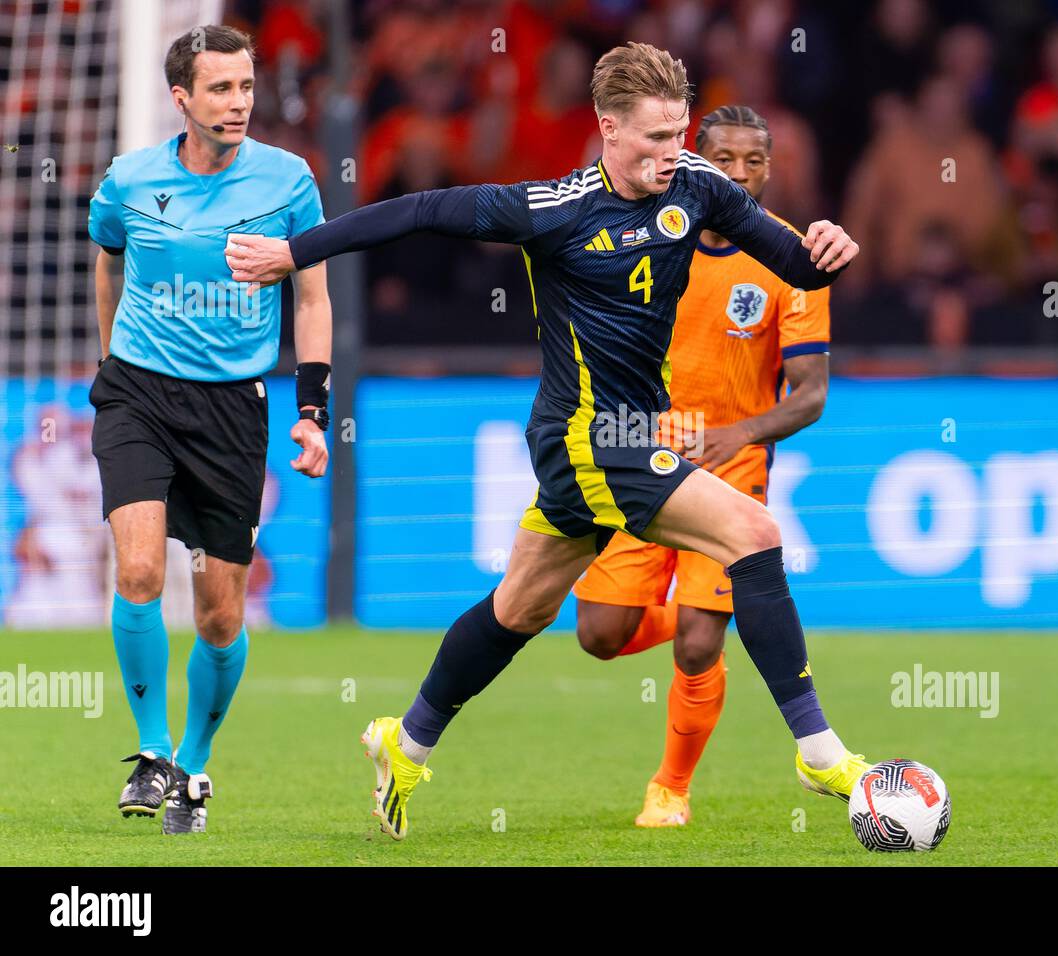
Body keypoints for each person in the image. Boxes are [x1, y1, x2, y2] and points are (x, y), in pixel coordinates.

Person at [226, 42, 862, 843]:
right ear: (607, 128)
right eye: (655, 139)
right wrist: (293, 252)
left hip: (624, 435)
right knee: (756, 534)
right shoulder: (551, 210)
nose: (674, 154)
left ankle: (407, 740)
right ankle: (818, 748)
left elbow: (800, 270)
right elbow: (418, 211)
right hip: (589, 439)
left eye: (679, 134)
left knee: (519, 608)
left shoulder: (699, 189)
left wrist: (827, 251)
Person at [88, 24, 332, 833]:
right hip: (140, 397)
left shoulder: (290, 181)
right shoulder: (128, 181)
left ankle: (193, 764)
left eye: (247, 87)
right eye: (221, 89)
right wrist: (108, 365)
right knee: (137, 573)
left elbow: (311, 299)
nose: (238, 103)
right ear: (181, 98)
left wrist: (311, 413)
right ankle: (153, 754)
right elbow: (108, 259)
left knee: (221, 615)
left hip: (233, 407)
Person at [571, 104, 832, 827]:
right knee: (600, 633)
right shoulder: (650, 235)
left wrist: (734, 435)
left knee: (697, 642)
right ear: (695, 159)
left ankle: (670, 788)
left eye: (754, 160)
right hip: (641, 457)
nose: (740, 173)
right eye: (724, 159)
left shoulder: (791, 258)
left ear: (770, 168)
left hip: (733, 468)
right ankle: (694, 609)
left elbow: (809, 396)